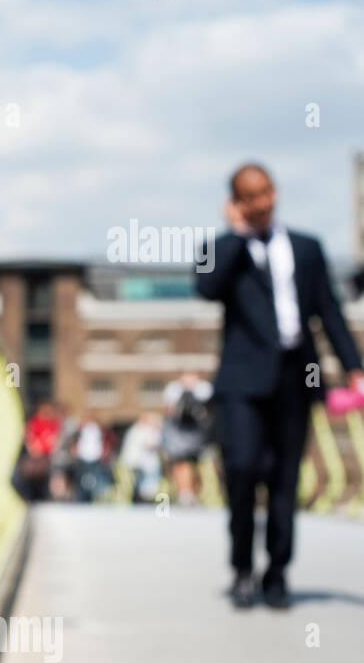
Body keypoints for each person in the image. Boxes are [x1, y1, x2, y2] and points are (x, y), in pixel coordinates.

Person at [197, 163, 364, 609]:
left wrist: (354, 368)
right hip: (242, 383)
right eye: (251, 196)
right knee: (242, 471)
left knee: (285, 480)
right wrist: (236, 234)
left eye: (267, 191)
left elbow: (328, 311)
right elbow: (207, 288)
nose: (263, 202)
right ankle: (241, 568)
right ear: (237, 202)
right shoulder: (222, 249)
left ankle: (277, 572)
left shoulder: (307, 248)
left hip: (296, 376)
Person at [161, 371, 214, 505]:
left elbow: (210, 410)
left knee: (199, 465)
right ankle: (185, 493)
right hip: (179, 433)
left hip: (198, 433)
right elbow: (168, 411)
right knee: (181, 463)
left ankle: (195, 491)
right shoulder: (173, 389)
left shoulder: (204, 389)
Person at [120, 411, 163, 502]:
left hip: (137, 461)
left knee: (140, 482)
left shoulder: (138, 429)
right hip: (137, 462)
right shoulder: (141, 430)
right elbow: (150, 445)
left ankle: (141, 498)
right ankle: (140, 499)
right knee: (138, 482)